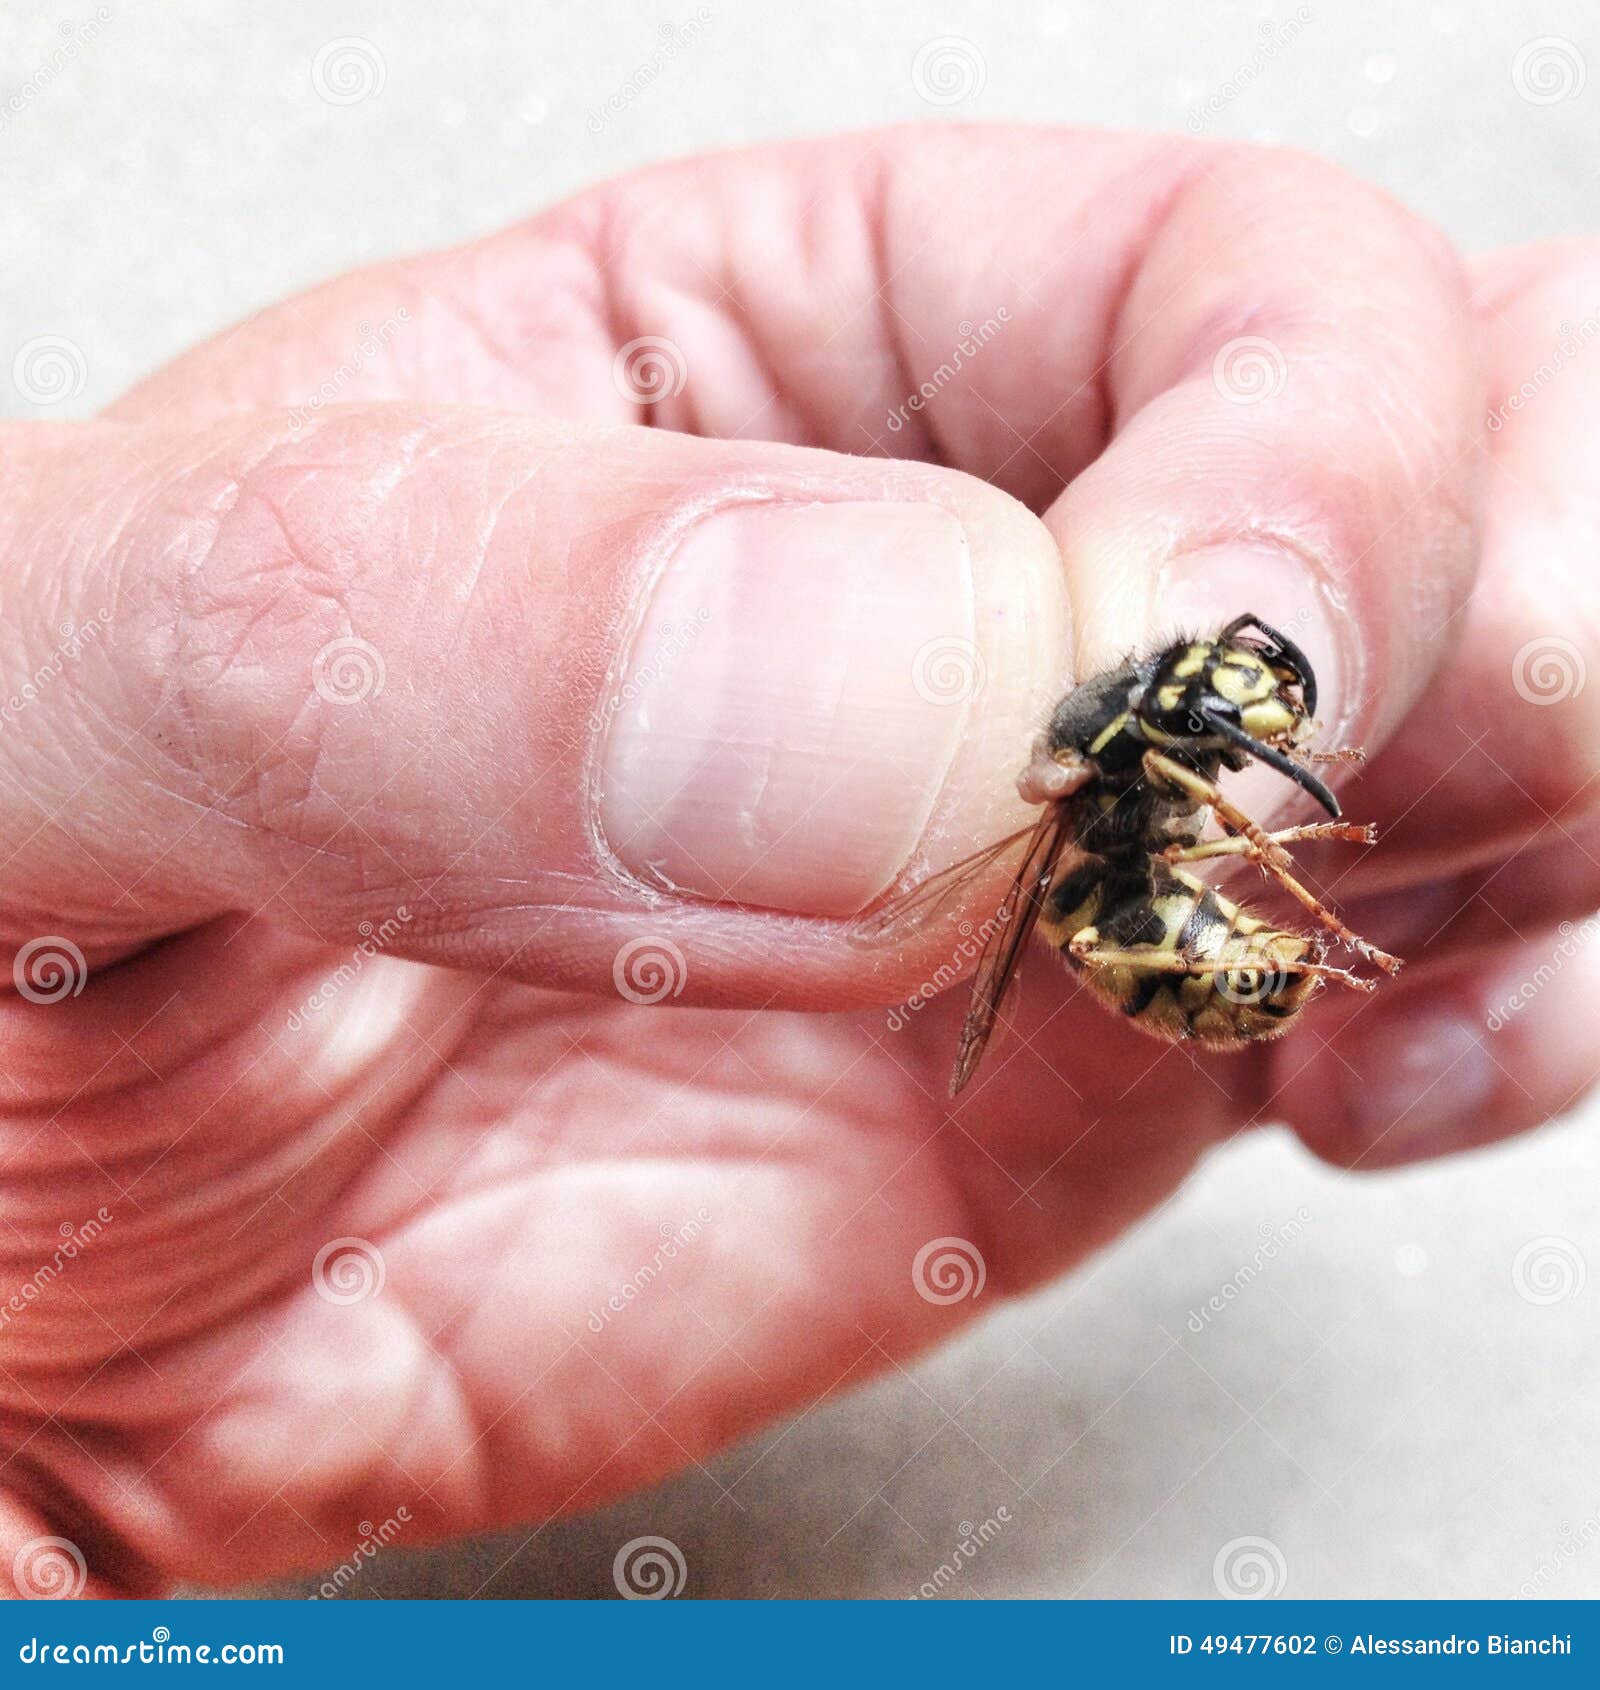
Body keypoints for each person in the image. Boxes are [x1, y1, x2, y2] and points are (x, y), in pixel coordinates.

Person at [1, 129, 1595, 1596]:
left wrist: (78, 1465)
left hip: (1133, 953)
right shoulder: (1101, 788)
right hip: (1141, 945)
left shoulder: (1138, 790)